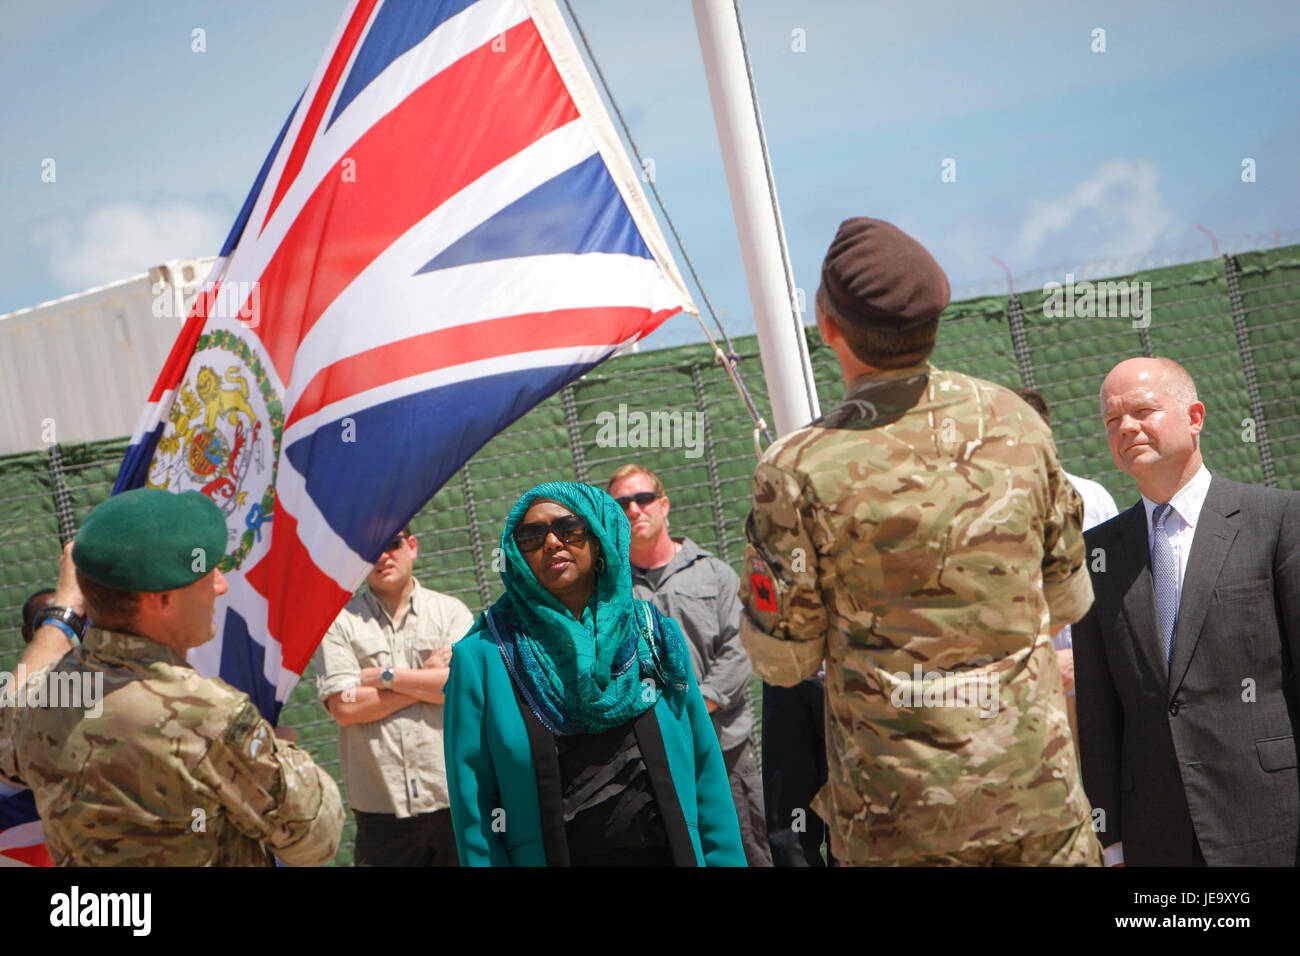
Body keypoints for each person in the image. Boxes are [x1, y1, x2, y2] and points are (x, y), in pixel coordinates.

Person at [739, 217, 1098, 866]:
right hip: (1036, 802)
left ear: (828, 325)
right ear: (933, 322)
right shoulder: (1018, 424)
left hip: (896, 822)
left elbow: (782, 662)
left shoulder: (795, 469)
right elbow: (1068, 599)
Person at [0, 488, 343, 866]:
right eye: (205, 574)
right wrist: (278, 752)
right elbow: (317, 839)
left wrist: (63, 612)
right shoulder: (209, 715)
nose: (220, 585)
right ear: (161, 600)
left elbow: (11, 716)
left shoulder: (54, 698)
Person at [443, 481, 746, 866]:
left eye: (568, 528)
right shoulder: (483, 658)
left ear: (600, 538)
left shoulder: (654, 638)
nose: (552, 542)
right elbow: (476, 812)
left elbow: (706, 776)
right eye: (531, 536)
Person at [1073, 357, 1300, 866]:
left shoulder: (1278, 521)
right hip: (1156, 832)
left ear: (1194, 417)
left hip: (1272, 820)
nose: (1126, 427)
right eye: (1113, 420)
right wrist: (1108, 839)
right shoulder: (1096, 555)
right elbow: (1097, 710)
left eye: (1143, 411)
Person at [606, 463, 772, 866]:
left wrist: (699, 702)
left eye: (643, 499)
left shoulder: (713, 573)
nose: (633, 510)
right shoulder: (609, 590)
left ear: (663, 505)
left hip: (724, 751)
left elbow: (741, 644)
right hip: (645, 760)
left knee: (749, 854)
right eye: (621, 503)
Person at [313, 525, 473, 866]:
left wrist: (385, 678)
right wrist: (427, 680)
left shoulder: (451, 613)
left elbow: (460, 687)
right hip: (382, 813)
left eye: (392, 543)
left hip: (454, 801)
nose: (382, 556)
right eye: (371, 547)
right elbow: (345, 706)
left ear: (411, 546)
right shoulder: (338, 623)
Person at [1014, 387, 1119, 742]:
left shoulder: (1093, 496)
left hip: (1097, 685)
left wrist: (1085, 659)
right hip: (1027, 696)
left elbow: (1115, 594)